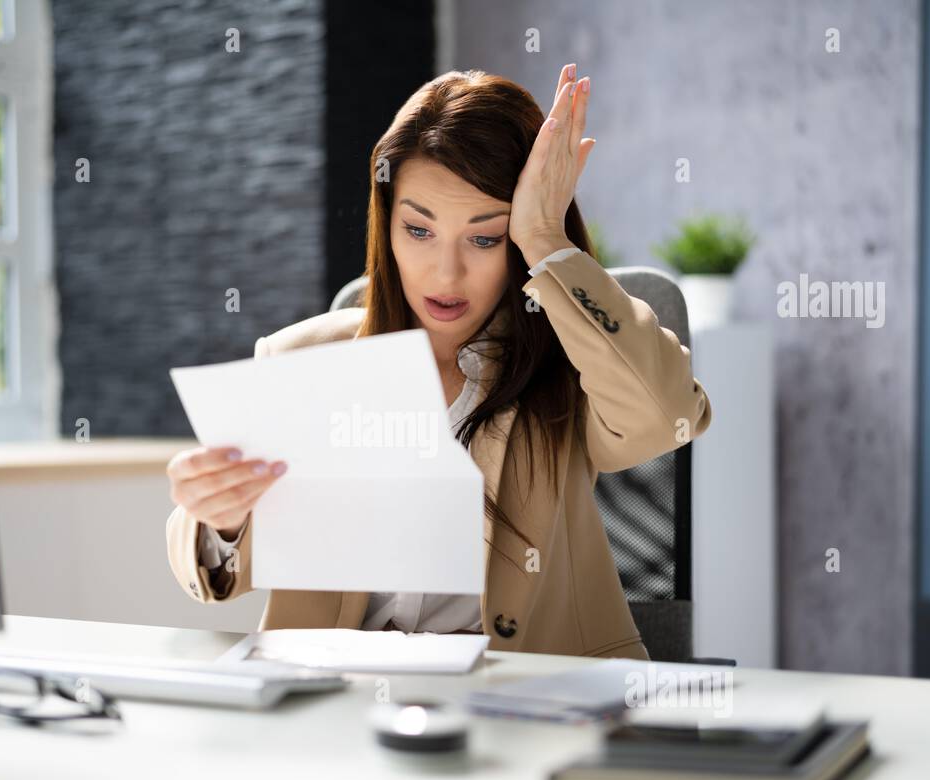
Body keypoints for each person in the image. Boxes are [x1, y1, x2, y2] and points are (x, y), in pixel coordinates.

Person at [166, 64, 711, 658]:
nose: (445, 274)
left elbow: (666, 415)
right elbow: (220, 580)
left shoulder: (571, 363)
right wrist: (219, 518)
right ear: (387, 226)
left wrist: (546, 239)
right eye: (418, 230)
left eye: (484, 237)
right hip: (341, 702)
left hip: (525, 698)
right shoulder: (300, 361)